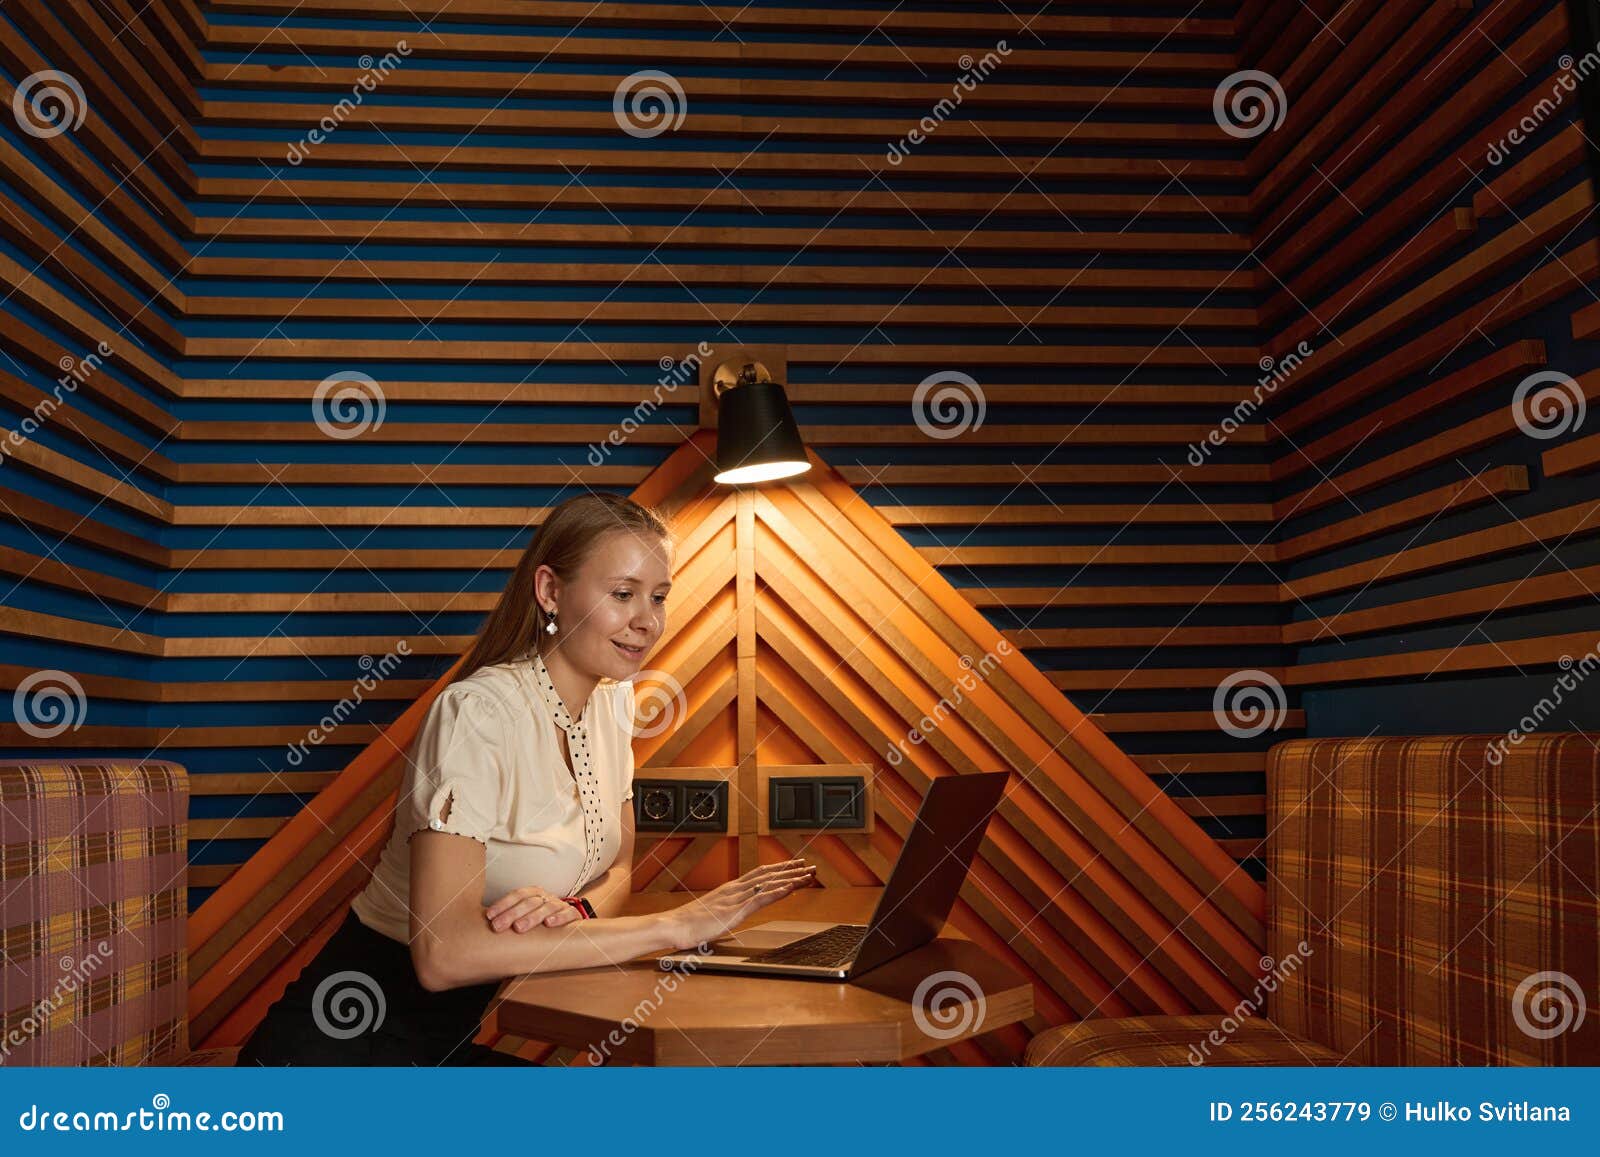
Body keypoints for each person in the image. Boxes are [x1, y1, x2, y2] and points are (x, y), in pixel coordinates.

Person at [239, 492, 816, 1065]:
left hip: (439, 1049)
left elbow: (618, 870)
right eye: (622, 594)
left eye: (658, 597)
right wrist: (677, 926)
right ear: (550, 591)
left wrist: (577, 911)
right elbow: (443, 957)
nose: (647, 621)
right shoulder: (476, 714)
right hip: (339, 1052)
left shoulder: (614, 704)